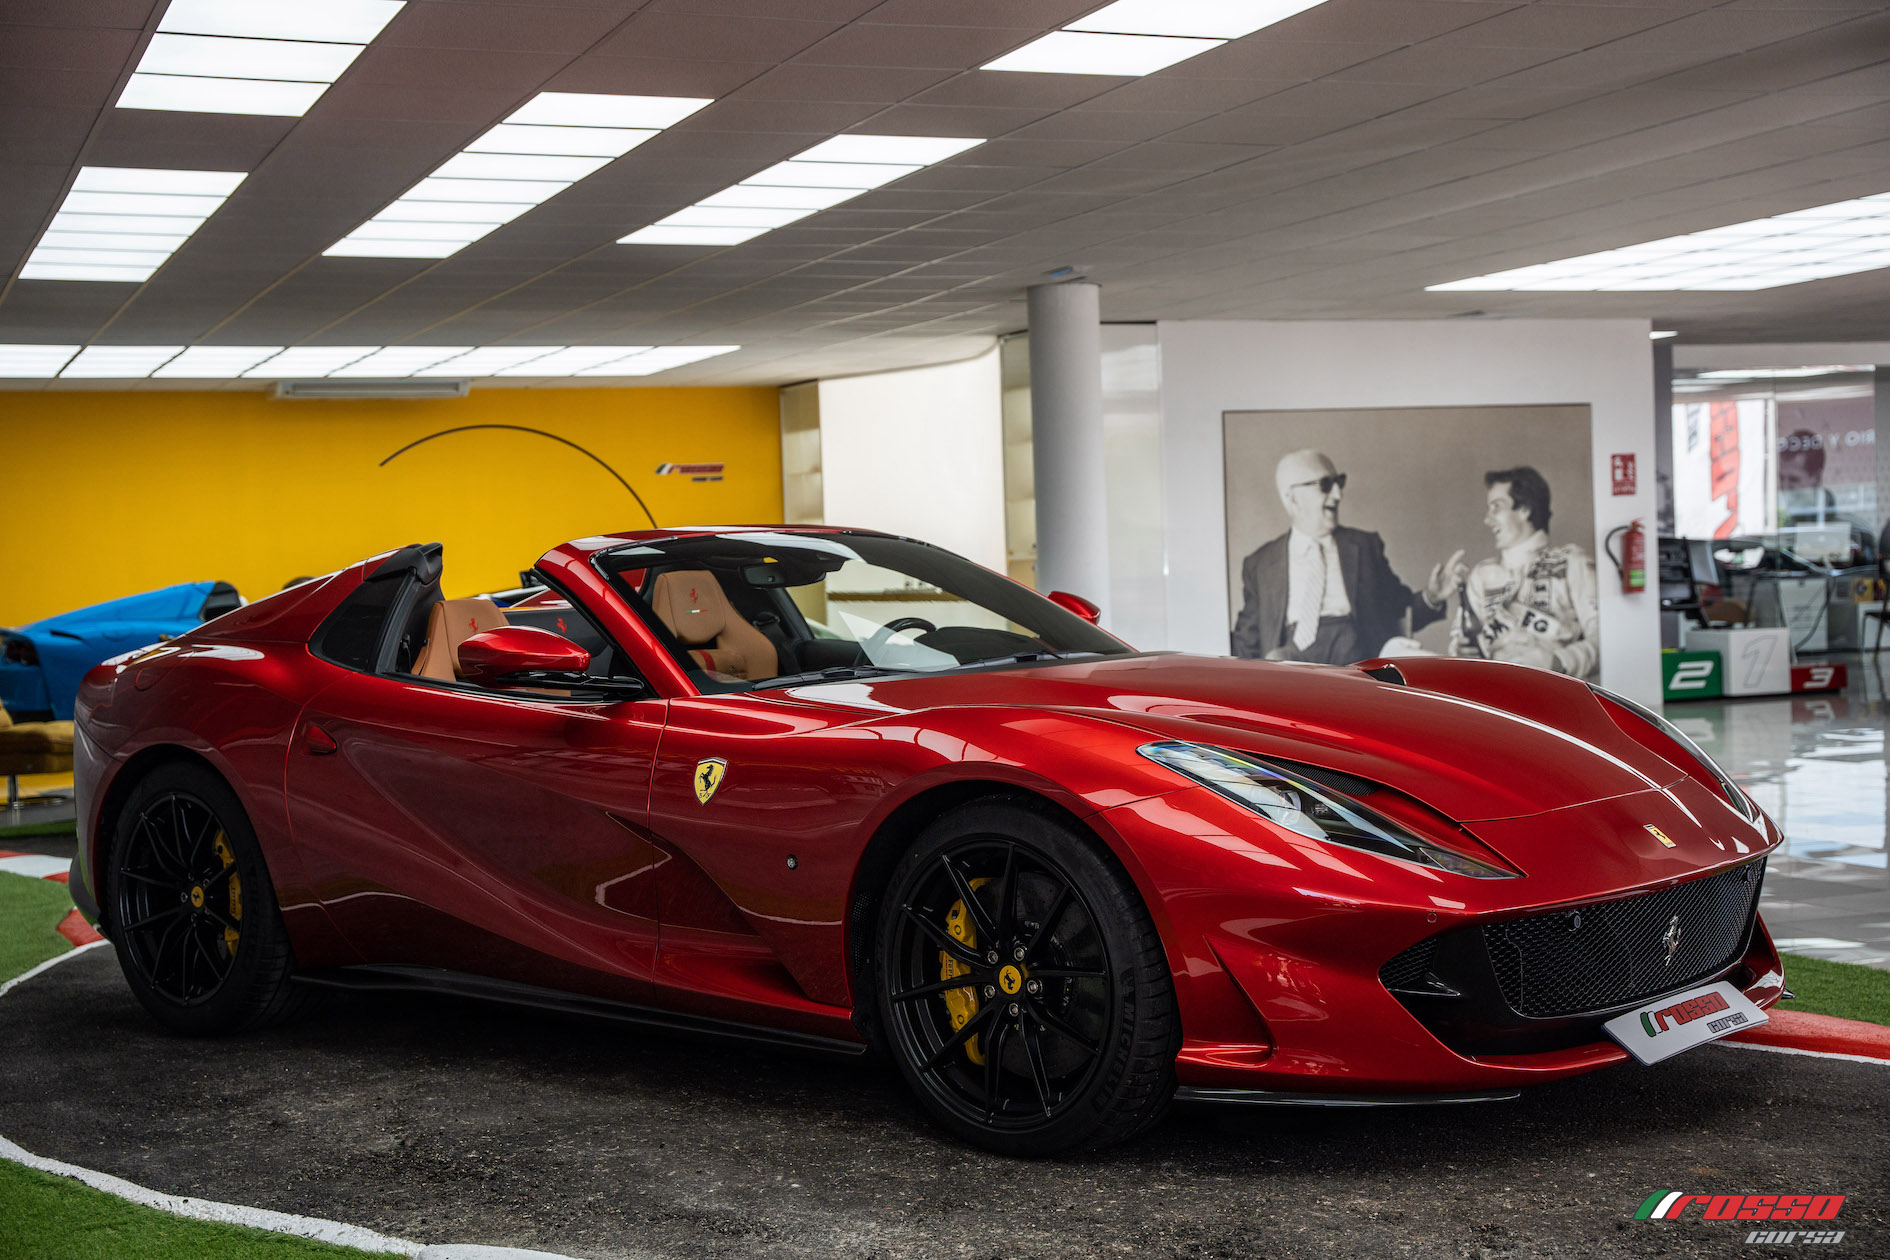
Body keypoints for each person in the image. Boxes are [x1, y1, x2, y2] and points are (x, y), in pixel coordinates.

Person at [1231, 450, 1462, 664]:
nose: (1338, 495)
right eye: (1325, 485)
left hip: (1355, 656)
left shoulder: (1365, 547)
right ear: (1292, 499)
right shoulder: (1261, 564)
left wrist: (1433, 596)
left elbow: (1398, 613)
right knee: (1276, 660)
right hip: (1292, 664)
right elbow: (1246, 640)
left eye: (1339, 482)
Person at [1450, 466, 1600, 680]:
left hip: (1556, 692)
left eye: (1496, 507)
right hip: (1495, 692)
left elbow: (1605, 640)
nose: (1488, 519)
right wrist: (1460, 651)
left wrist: (1557, 662)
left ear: (1524, 509)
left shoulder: (1571, 562)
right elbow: (1459, 643)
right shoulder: (1482, 576)